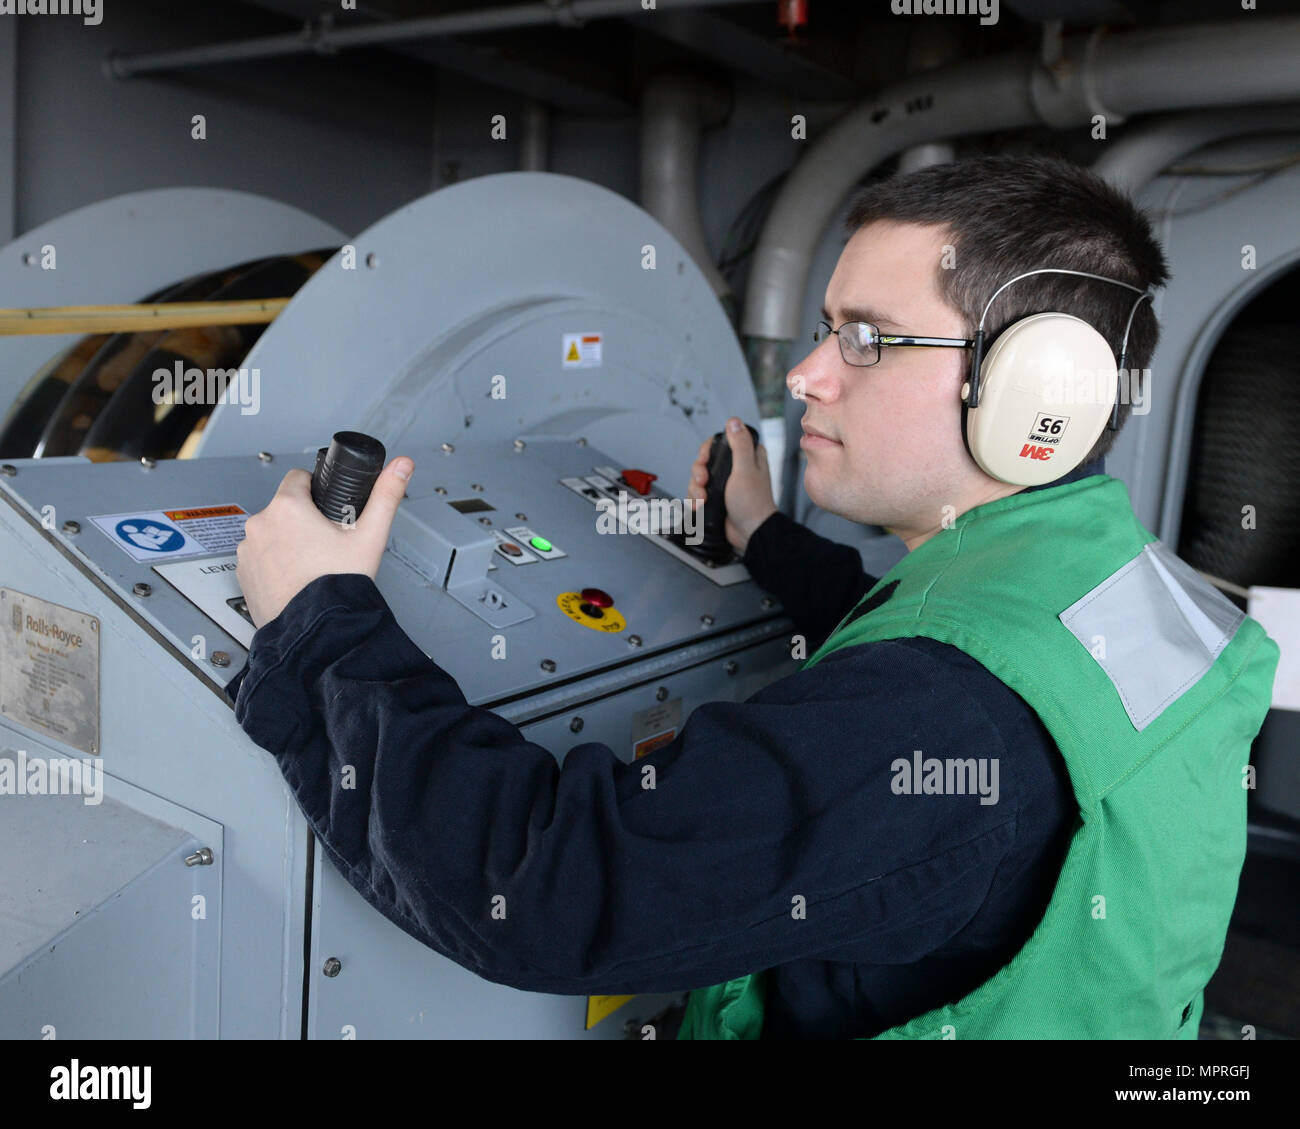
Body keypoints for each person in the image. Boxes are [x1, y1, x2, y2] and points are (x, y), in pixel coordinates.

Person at [229, 154, 1279, 1039]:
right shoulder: (1115, 584)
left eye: (867, 337)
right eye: (825, 326)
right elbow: (965, 634)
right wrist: (764, 539)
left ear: (1035, 391)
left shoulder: (936, 717)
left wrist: (319, 619)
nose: (809, 373)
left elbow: (550, 885)